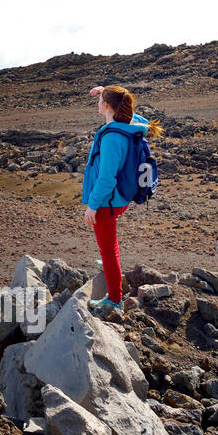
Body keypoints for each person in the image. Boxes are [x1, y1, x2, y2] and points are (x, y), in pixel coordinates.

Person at [81, 84, 162, 312]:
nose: (97, 104)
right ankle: (109, 267)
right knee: (109, 246)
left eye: (100, 101)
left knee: (108, 251)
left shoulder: (112, 138)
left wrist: (92, 206)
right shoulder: (129, 125)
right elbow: (138, 116)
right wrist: (110, 91)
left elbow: (106, 179)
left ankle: (114, 300)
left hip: (107, 202)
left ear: (106, 106)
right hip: (120, 199)